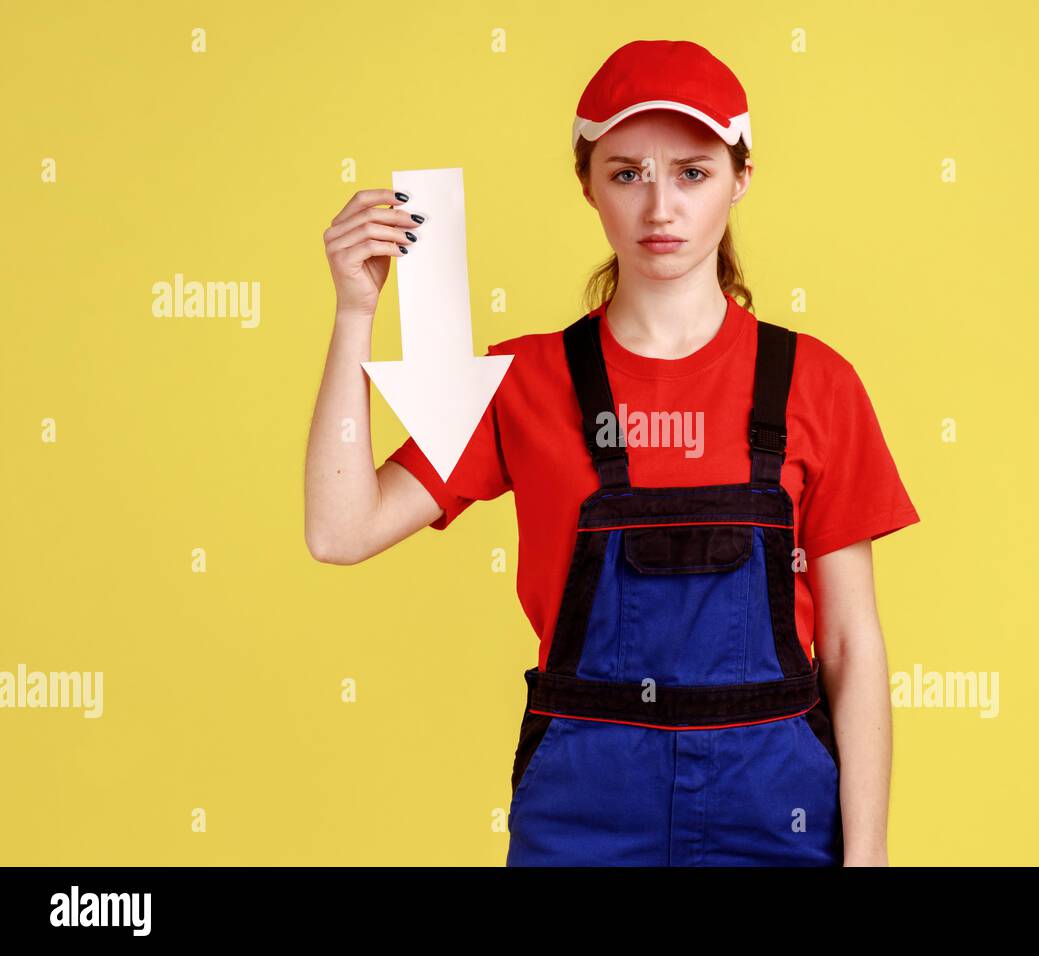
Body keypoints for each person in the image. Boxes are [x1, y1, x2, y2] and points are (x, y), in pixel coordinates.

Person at [304, 39, 920, 867]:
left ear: (741, 178)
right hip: (583, 822)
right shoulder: (522, 380)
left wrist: (869, 856)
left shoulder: (817, 382)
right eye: (627, 172)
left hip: (778, 821)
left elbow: (851, 644)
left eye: (693, 172)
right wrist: (353, 316)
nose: (659, 207)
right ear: (587, 184)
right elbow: (340, 530)